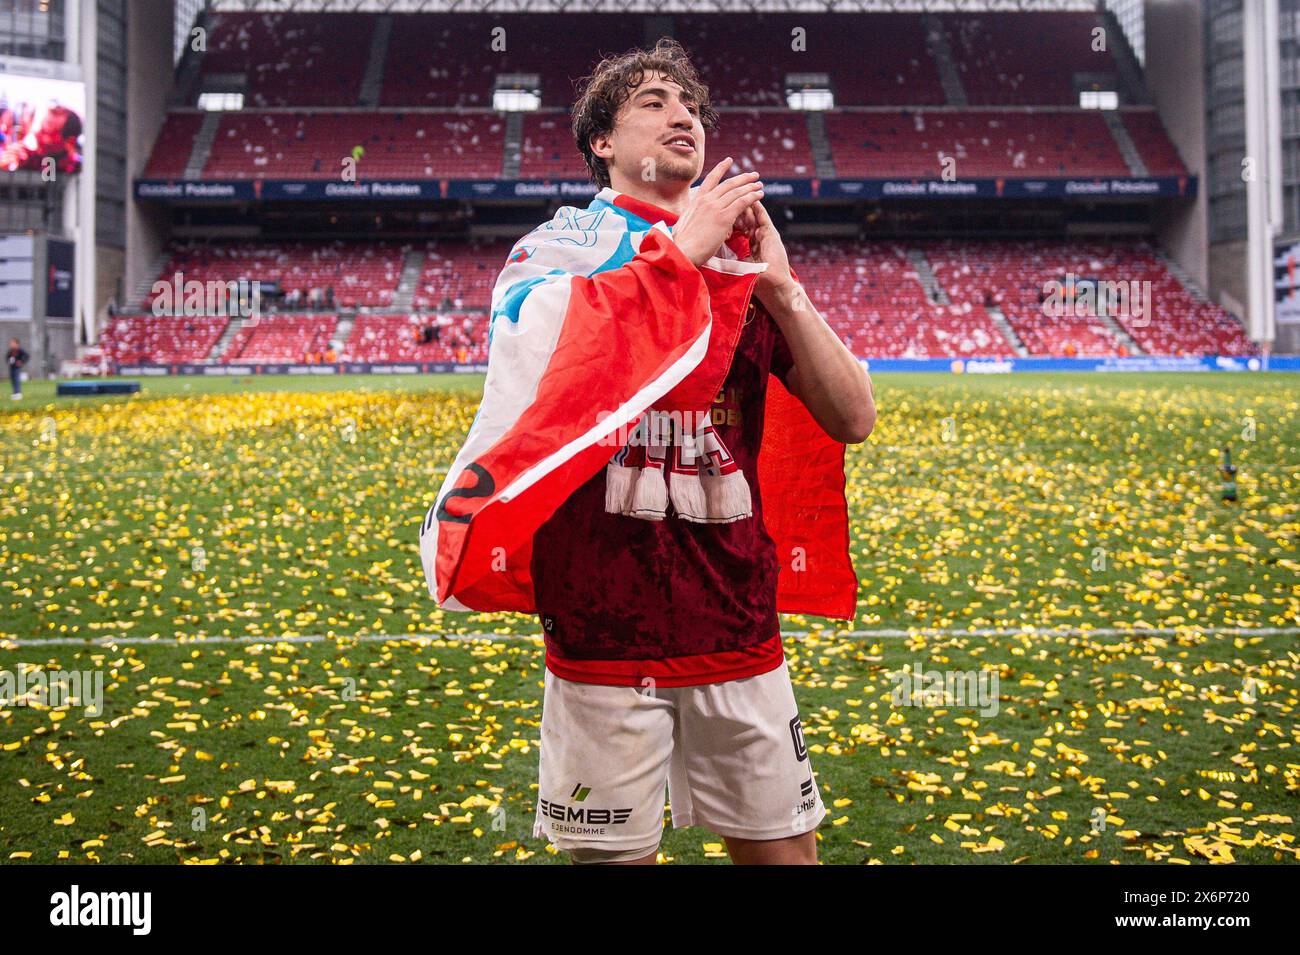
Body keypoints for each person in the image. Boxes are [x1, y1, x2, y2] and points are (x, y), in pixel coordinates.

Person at [437, 39, 873, 865]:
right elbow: (542, 366)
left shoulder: (744, 268)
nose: (683, 115)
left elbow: (853, 415)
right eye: (652, 101)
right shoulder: (554, 253)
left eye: (692, 106)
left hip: (737, 616)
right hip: (602, 629)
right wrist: (680, 252)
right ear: (601, 142)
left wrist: (780, 286)